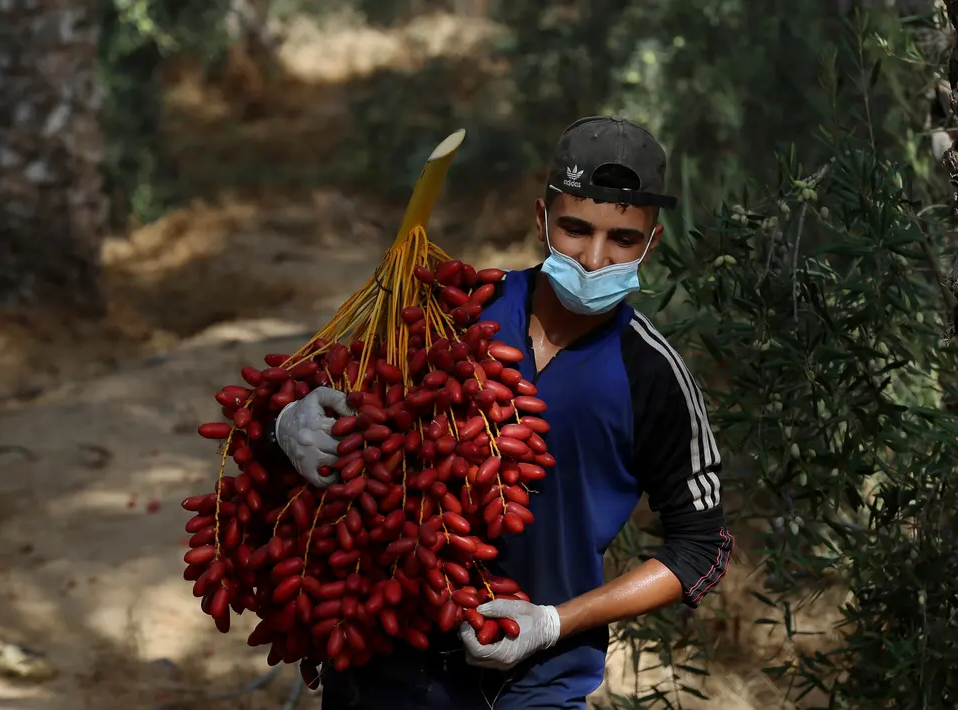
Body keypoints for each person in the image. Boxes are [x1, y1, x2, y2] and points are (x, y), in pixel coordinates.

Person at [271, 116, 732, 709]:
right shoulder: (454, 313)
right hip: (386, 662)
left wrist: (554, 622)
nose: (594, 258)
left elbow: (702, 545)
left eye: (622, 239)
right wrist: (286, 423)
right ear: (541, 220)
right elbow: (313, 399)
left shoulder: (653, 374)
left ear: (651, 243)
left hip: (537, 683)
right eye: (574, 229)